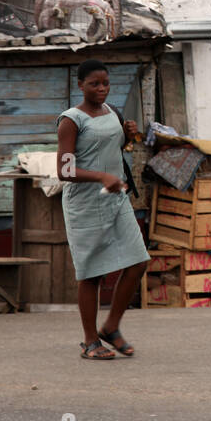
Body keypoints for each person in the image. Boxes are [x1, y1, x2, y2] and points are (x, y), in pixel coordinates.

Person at [55, 59, 149, 360]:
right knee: (91, 274)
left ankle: (111, 326)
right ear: (80, 85)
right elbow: (64, 171)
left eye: (105, 83)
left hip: (115, 197)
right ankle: (90, 340)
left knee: (138, 262)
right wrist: (101, 177)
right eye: (94, 84)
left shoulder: (112, 112)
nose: (101, 89)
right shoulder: (71, 120)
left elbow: (111, 149)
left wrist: (128, 135)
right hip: (84, 203)